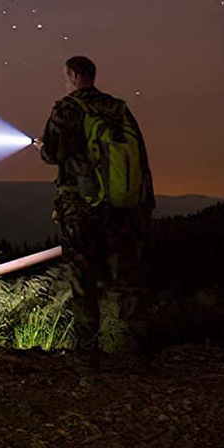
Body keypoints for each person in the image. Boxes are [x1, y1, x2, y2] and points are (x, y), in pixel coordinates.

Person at [33, 55, 155, 357]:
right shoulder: (118, 108)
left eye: (65, 76)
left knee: (84, 284)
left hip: (82, 210)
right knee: (127, 280)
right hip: (124, 208)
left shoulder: (67, 108)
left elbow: (54, 153)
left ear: (74, 75)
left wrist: (41, 147)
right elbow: (139, 157)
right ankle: (137, 353)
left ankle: (88, 359)